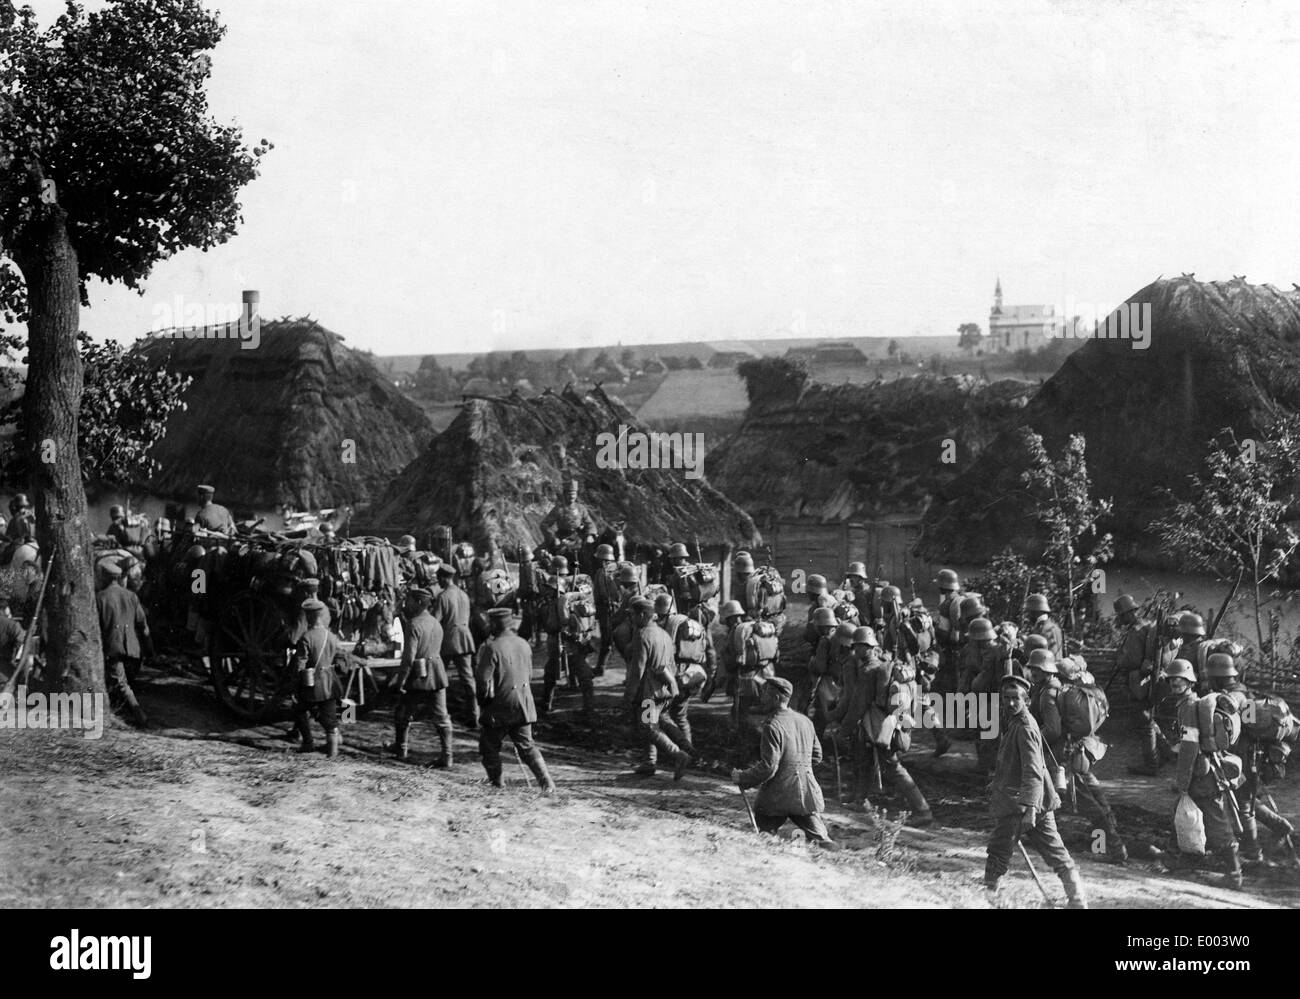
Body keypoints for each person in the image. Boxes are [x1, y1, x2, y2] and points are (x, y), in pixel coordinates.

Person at [984, 674, 1087, 908]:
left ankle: (988, 899)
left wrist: (1030, 808)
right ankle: (1078, 901)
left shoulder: (1026, 728)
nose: (1010, 703)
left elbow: (1033, 771)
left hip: (1021, 805)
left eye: (1015, 698)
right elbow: (1015, 764)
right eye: (1006, 698)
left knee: (998, 851)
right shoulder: (1017, 723)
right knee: (1056, 854)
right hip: (1034, 801)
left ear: (1026, 701)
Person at [1168, 656, 1244, 889]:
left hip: (1201, 774)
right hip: (1202, 769)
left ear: (1190, 682)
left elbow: (1189, 746)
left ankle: (1234, 872)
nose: (1175, 685)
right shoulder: (1188, 704)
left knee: (1214, 819)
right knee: (1184, 812)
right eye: (1172, 681)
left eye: (1180, 681)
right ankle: (1185, 859)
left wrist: (1182, 779)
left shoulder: (1189, 707)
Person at [733, 678, 837, 848]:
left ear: (775, 697)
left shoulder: (772, 725)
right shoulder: (805, 721)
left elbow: (769, 767)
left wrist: (742, 777)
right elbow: (817, 756)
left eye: (765, 694)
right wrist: (797, 764)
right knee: (822, 840)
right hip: (805, 794)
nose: (761, 698)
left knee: (765, 835)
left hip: (777, 797)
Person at [1044, 654, 1128, 863]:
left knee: (1086, 803)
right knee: (1096, 796)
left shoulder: (1064, 694)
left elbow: (1056, 729)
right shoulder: (1090, 690)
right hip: (1085, 749)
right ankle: (1100, 847)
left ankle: (1115, 850)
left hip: (1070, 753)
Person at [476, 608, 555, 791]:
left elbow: (482, 680)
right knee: (527, 745)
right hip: (523, 703)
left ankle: (498, 784)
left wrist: (483, 702)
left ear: (495, 624)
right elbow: (528, 674)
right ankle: (547, 783)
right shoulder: (524, 644)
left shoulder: (492, 647)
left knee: (488, 746)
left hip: (500, 705)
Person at [628, 595, 693, 777]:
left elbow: (637, 669)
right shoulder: (664, 634)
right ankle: (679, 749)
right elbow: (671, 664)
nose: (632, 619)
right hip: (665, 690)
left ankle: (678, 754)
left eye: (633, 615)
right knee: (662, 719)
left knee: (648, 726)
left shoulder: (642, 635)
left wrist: (630, 694)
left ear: (642, 615)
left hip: (649, 692)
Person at [393, 588, 453, 768]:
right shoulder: (436, 623)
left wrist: (401, 680)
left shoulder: (413, 624)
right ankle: (447, 756)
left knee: (403, 713)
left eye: (409, 600)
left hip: (419, 676)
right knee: (442, 716)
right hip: (438, 673)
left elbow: (409, 657)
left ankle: (401, 750)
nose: (406, 603)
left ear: (418, 603)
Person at [96, 563, 152, 727]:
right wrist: (149, 649)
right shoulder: (132, 596)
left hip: (114, 649)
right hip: (134, 650)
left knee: (121, 684)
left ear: (105, 577)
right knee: (125, 682)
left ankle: (140, 717)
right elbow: (143, 624)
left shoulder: (100, 597)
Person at [291, 598, 349, 757]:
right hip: (329, 684)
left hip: (311, 685)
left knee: (299, 709)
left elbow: (299, 665)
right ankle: (333, 754)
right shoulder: (331, 636)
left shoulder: (306, 637)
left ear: (309, 616)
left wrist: (295, 685)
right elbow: (341, 657)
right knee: (330, 718)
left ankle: (308, 743)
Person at [434, 563, 479, 728]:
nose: (438, 582)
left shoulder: (443, 597)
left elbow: (435, 622)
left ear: (444, 578)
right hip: (465, 639)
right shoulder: (463, 595)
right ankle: (475, 716)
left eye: (439, 578)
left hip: (449, 641)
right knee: (468, 679)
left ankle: (440, 713)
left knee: (439, 678)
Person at [591, 543, 619, 676]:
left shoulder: (601, 573)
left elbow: (598, 593)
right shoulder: (617, 569)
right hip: (616, 608)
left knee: (607, 639)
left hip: (605, 609)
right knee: (610, 639)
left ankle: (601, 667)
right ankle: (601, 666)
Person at [1024, 593, 1064, 659]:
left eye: (1029, 612)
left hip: (1046, 667)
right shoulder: (1055, 627)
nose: (1028, 615)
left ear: (1036, 611)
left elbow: (1034, 656)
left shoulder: (1041, 629)